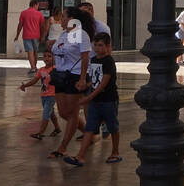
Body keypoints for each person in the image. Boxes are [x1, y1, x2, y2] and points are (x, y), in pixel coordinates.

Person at [64, 33, 121, 166]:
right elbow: (95, 80)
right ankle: (80, 156)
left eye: (100, 45)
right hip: (96, 101)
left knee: (113, 127)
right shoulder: (94, 59)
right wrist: (85, 84)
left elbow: (103, 84)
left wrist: (88, 98)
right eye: (95, 45)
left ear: (107, 46)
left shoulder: (108, 61)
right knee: (90, 127)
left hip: (108, 100)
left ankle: (115, 152)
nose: (97, 48)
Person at [46, 10, 96, 160]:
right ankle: (90, 133)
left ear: (72, 19)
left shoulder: (82, 35)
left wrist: (82, 78)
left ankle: (63, 147)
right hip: (60, 75)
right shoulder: (63, 35)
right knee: (63, 112)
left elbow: (85, 57)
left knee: (72, 112)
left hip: (74, 75)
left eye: (63, 17)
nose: (60, 20)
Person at [21, 48, 60, 139]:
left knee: (46, 113)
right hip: (43, 95)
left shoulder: (55, 69)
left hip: (52, 95)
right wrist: (25, 85)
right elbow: (34, 80)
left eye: (49, 56)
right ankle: (57, 128)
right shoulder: (41, 70)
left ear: (54, 58)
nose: (47, 58)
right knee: (51, 113)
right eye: (45, 56)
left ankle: (40, 133)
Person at [15, 0, 45, 71]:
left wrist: (17, 35)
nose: (38, 7)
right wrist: (42, 36)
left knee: (30, 52)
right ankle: (35, 66)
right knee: (35, 52)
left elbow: (20, 25)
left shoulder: (23, 13)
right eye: (38, 5)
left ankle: (33, 68)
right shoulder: (39, 14)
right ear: (35, 5)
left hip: (26, 35)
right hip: (36, 35)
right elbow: (42, 26)